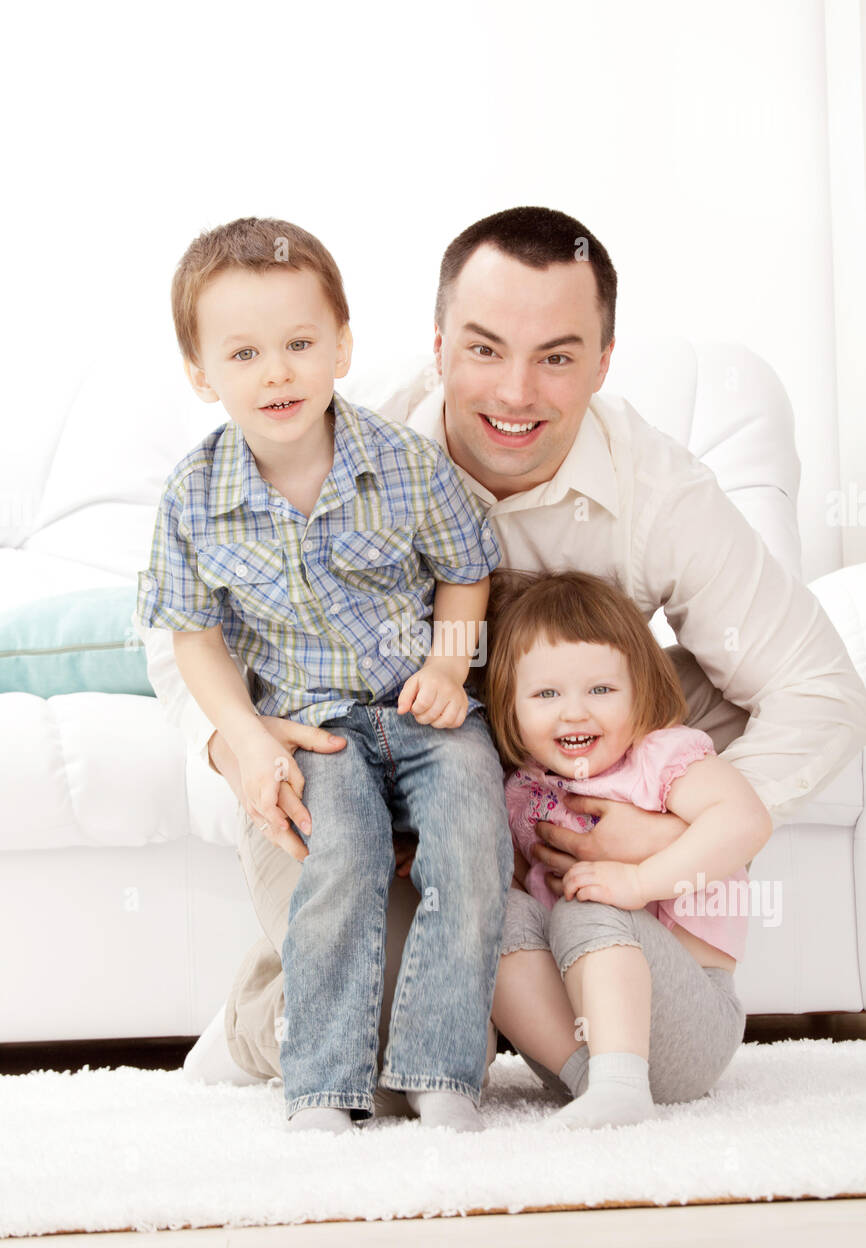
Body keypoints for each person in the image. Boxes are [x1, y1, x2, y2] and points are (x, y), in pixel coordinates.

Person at [137, 205, 866, 1103]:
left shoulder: (660, 493)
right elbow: (180, 635)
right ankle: (262, 1015)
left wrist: (676, 836)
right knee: (379, 1059)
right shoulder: (330, 432)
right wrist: (240, 739)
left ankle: (542, 948)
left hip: (551, 755)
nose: (516, 393)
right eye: (484, 350)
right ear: (438, 346)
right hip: (364, 747)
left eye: (557, 357)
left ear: (602, 363)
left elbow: (821, 689)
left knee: (690, 692)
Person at [135, 217, 513, 1133]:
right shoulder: (193, 497)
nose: (278, 372)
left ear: (341, 347)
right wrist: (247, 735)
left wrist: (444, 663)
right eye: (246, 352)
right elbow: (193, 636)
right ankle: (322, 1085)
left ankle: (444, 1071)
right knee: (336, 856)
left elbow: (467, 567)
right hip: (314, 728)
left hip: (425, 714)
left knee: (473, 836)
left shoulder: (402, 463)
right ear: (200, 371)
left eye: (301, 344)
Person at [484, 569, 772, 1129]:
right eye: (546, 694)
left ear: (639, 688)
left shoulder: (660, 758)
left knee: (590, 896)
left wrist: (637, 884)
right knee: (489, 910)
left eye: (600, 689)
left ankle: (621, 1084)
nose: (574, 712)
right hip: (574, 1044)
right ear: (510, 708)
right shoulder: (525, 789)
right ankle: (603, 1088)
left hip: (690, 1025)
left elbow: (746, 821)